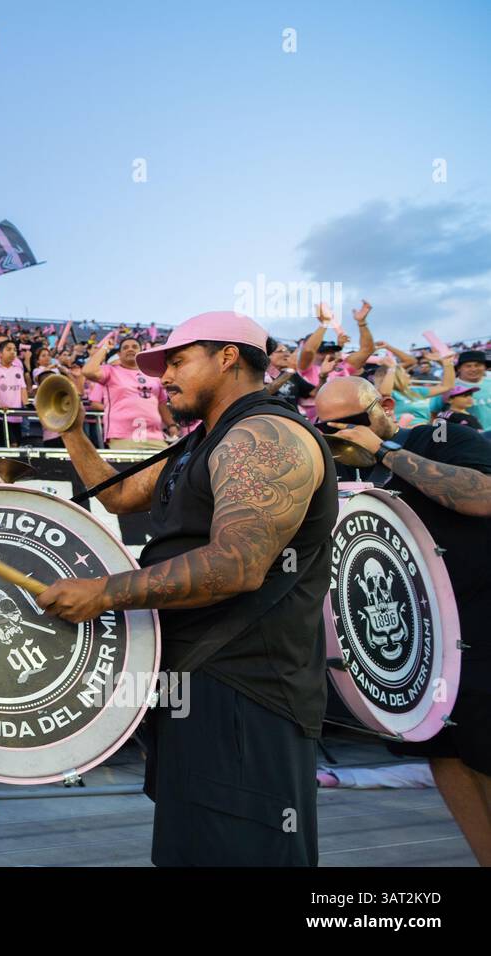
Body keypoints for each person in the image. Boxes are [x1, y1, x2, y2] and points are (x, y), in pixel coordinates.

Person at [39, 312, 336, 866]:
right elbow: (121, 495)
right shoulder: (206, 440)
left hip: (248, 691)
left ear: (228, 356)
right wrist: (72, 429)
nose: (164, 377)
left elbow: (238, 564)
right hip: (200, 683)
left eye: (177, 362)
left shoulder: (263, 435)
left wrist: (105, 592)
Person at [315, 376, 491, 864]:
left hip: (481, 626)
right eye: (326, 427)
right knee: (445, 757)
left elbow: (483, 495)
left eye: (349, 424)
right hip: (418, 645)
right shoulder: (335, 472)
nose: (339, 436)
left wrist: (385, 450)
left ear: (385, 407)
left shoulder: (441, 438)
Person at [82, 336, 174, 449]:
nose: (130, 349)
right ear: (119, 354)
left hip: (155, 437)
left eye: (135, 347)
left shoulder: (153, 375)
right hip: (122, 437)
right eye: (125, 347)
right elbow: (87, 371)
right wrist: (105, 347)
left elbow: (161, 404)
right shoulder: (110, 371)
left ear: (141, 352)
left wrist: (171, 425)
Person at [0, 338, 28, 447]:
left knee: (16, 446)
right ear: (0, 353)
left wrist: (26, 405)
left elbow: (23, 388)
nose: (13, 352)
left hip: (16, 415)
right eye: (9, 349)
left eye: (14, 350)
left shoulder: (18, 369)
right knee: (11, 445)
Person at [444, 350, 491, 429]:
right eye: (468, 366)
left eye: (478, 365)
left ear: (485, 367)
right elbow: (434, 411)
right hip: (469, 436)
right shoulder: (449, 387)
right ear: (459, 368)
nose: (473, 369)